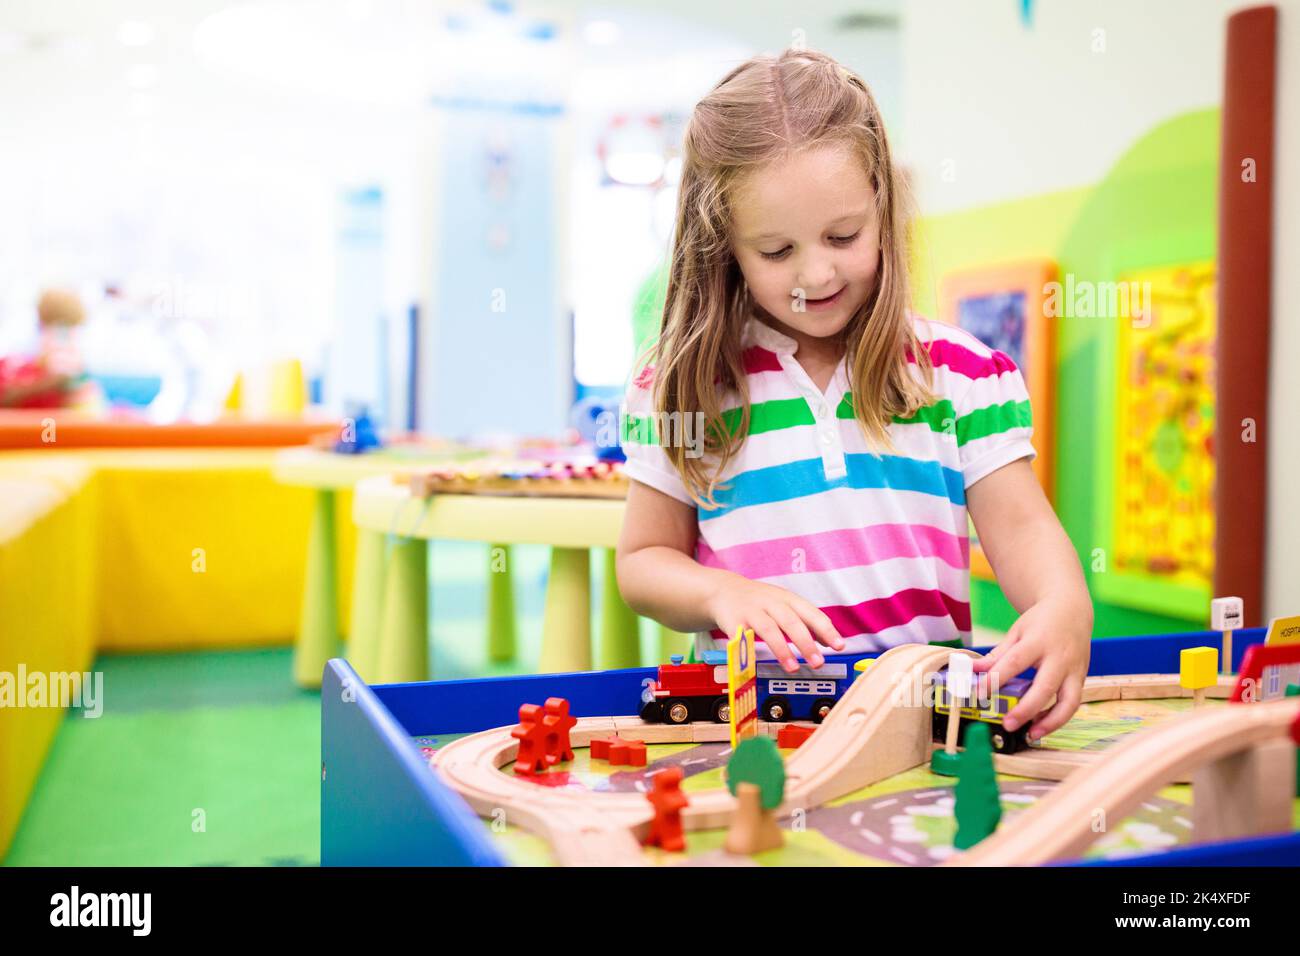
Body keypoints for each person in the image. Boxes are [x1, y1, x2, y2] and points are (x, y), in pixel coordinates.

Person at [614, 49, 1092, 743]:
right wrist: (723, 593)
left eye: (844, 235)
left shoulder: (960, 374)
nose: (816, 272)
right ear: (725, 246)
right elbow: (642, 562)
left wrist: (1063, 603)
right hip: (749, 733)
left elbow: (1022, 530)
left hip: (923, 730)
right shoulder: (682, 385)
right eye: (776, 251)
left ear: (883, 205)